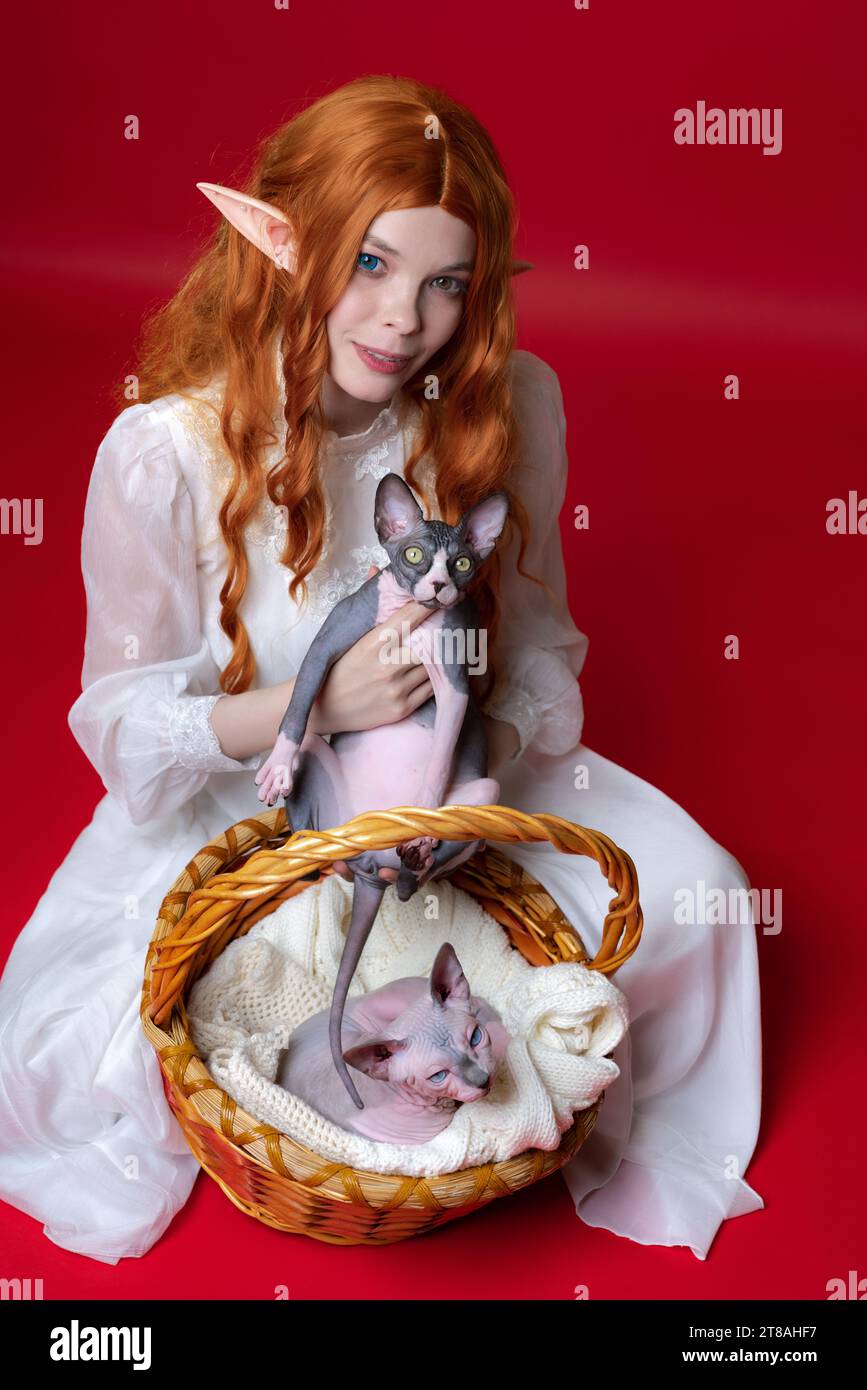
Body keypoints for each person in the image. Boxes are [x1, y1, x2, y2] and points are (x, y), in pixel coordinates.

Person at [0, 75, 763, 1265]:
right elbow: (127, 719)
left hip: (451, 783)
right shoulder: (168, 452)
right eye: (369, 263)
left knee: (698, 892)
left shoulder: (505, 404)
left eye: (444, 282)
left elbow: (542, 645)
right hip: (256, 806)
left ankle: (483, 1088)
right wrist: (316, 715)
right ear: (281, 242)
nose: (404, 320)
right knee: (100, 1055)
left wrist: (480, 778)